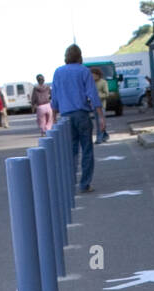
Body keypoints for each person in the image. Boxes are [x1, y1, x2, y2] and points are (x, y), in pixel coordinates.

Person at [50, 44, 104, 193]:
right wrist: (100, 116)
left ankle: (70, 182)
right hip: (81, 113)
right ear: (79, 56)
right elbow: (92, 94)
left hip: (66, 116)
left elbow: (54, 97)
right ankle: (85, 184)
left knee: (71, 150)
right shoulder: (84, 71)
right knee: (87, 149)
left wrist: (53, 117)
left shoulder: (58, 72)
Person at [89, 67, 110, 143]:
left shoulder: (103, 82)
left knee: (100, 122)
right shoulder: (90, 83)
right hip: (93, 105)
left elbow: (107, 94)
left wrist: (98, 96)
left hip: (101, 105)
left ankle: (99, 138)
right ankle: (104, 135)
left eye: (93, 75)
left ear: (98, 75)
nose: (92, 77)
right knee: (98, 122)